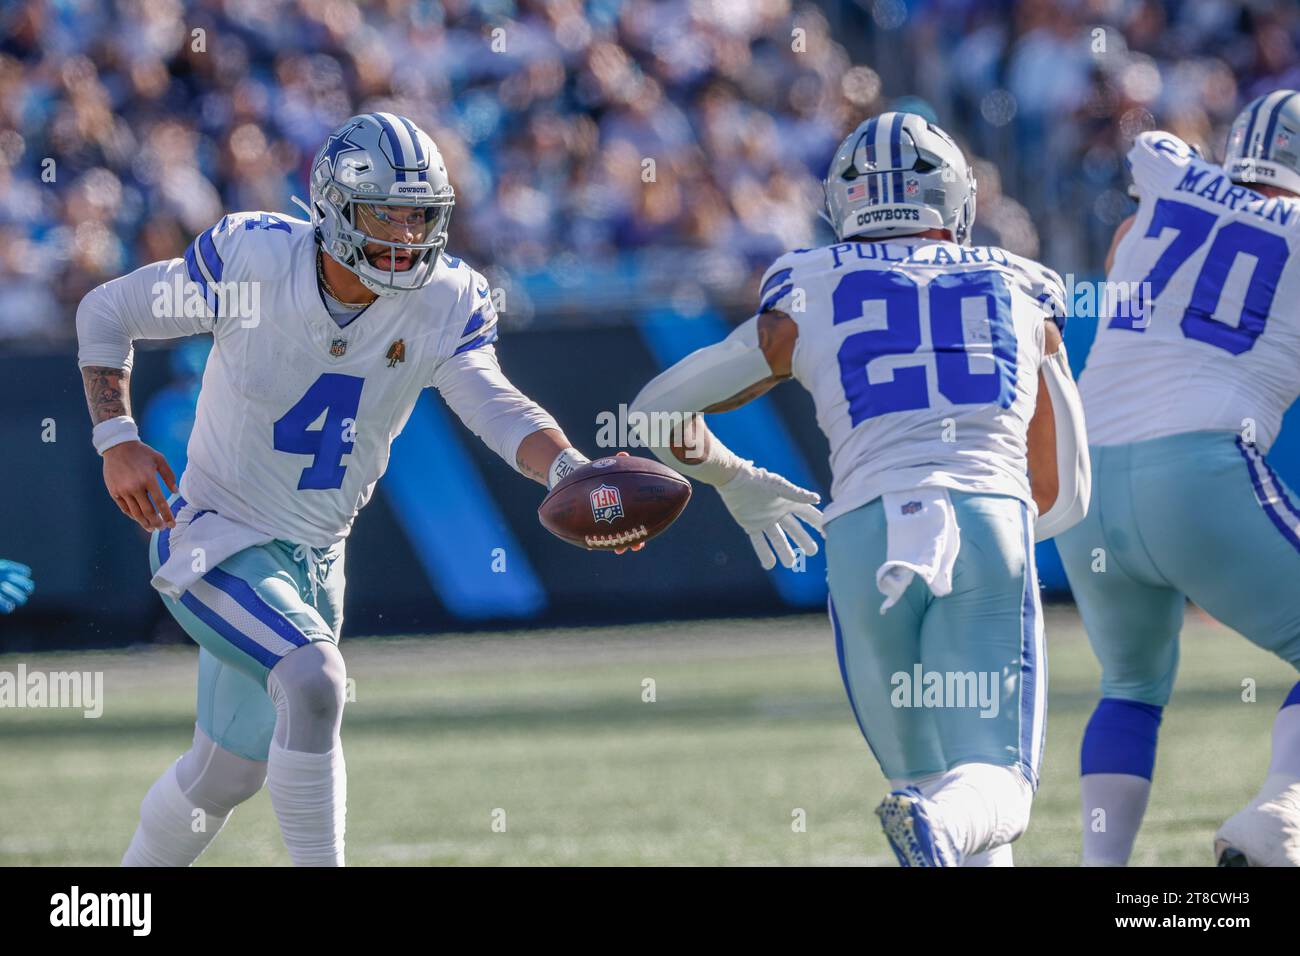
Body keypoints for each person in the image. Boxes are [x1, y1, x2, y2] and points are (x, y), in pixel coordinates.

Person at [76, 112, 608, 866]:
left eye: (420, 216)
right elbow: (107, 310)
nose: (405, 234)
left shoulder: (443, 297)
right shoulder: (255, 261)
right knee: (314, 679)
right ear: (332, 207)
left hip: (319, 555)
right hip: (215, 531)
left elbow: (492, 400)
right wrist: (116, 439)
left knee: (223, 774)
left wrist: (566, 467)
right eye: (385, 214)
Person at [631, 112, 1089, 866]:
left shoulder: (805, 285)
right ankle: (939, 823)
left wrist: (736, 480)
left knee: (934, 789)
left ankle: (935, 823)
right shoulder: (1024, 288)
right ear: (956, 198)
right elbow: (1061, 490)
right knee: (995, 785)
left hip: (861, 537)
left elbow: (653, 413)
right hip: (984, 518)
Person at [1058, 91, 1300, 867]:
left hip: (1086, 483)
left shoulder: (1166, 175)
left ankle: (1106, 874)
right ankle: (1283, 814)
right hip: (1198, 471)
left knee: (1129, 682)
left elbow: (1123, 249)